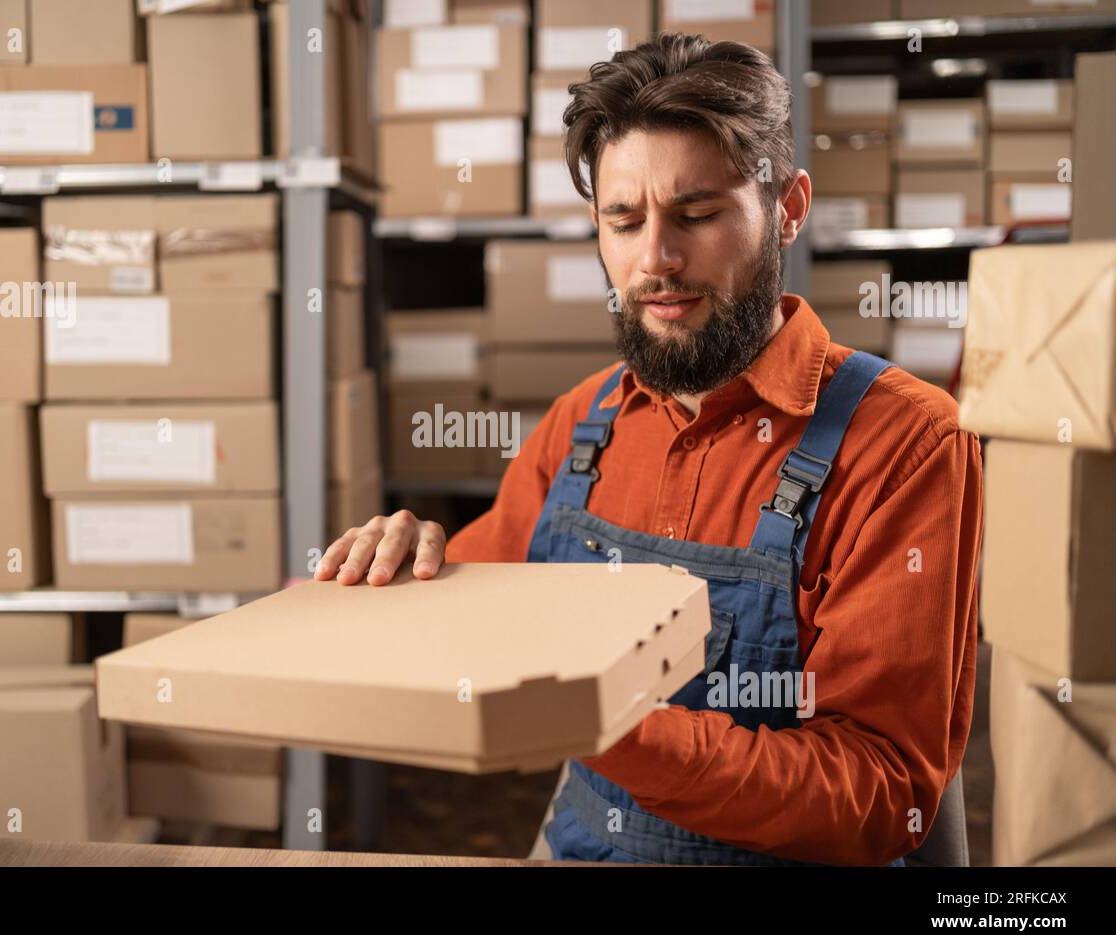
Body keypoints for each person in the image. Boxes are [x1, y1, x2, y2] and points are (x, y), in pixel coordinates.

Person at [315, 34, 982, 866]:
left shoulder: (907, 445)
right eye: (623, 221)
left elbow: (883, 795)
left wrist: (612, 724)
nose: (656, 261)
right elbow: (467, 615)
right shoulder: (581, 425)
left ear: (788, 209)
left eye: (697, 216)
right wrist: (400, 568)